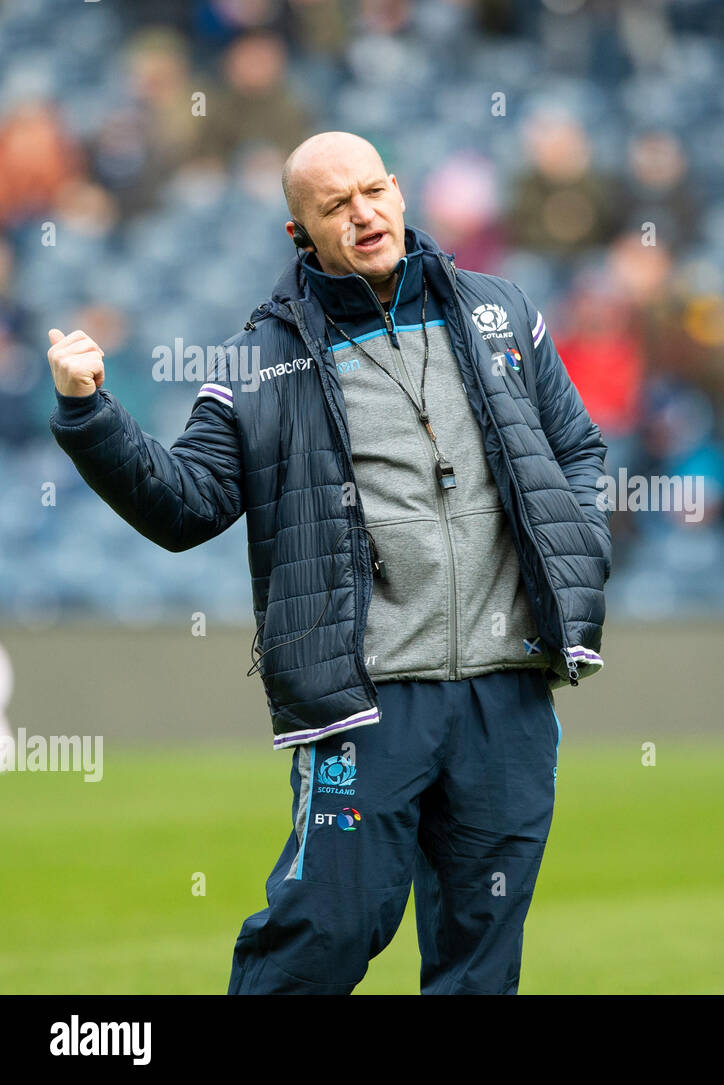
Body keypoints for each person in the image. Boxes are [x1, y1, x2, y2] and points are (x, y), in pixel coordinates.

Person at [47, 131, 611, 995]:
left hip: (508, 691)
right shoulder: (258, 361)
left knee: (483, 957)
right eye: (335, 205)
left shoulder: (499, 310)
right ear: (299, 234)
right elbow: (185, 502)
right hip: (368, 700)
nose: (364, 213)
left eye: (373, 190)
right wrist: (91, 415)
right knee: (326, 933)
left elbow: (575, 448)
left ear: (400, 189)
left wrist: (579, 551)